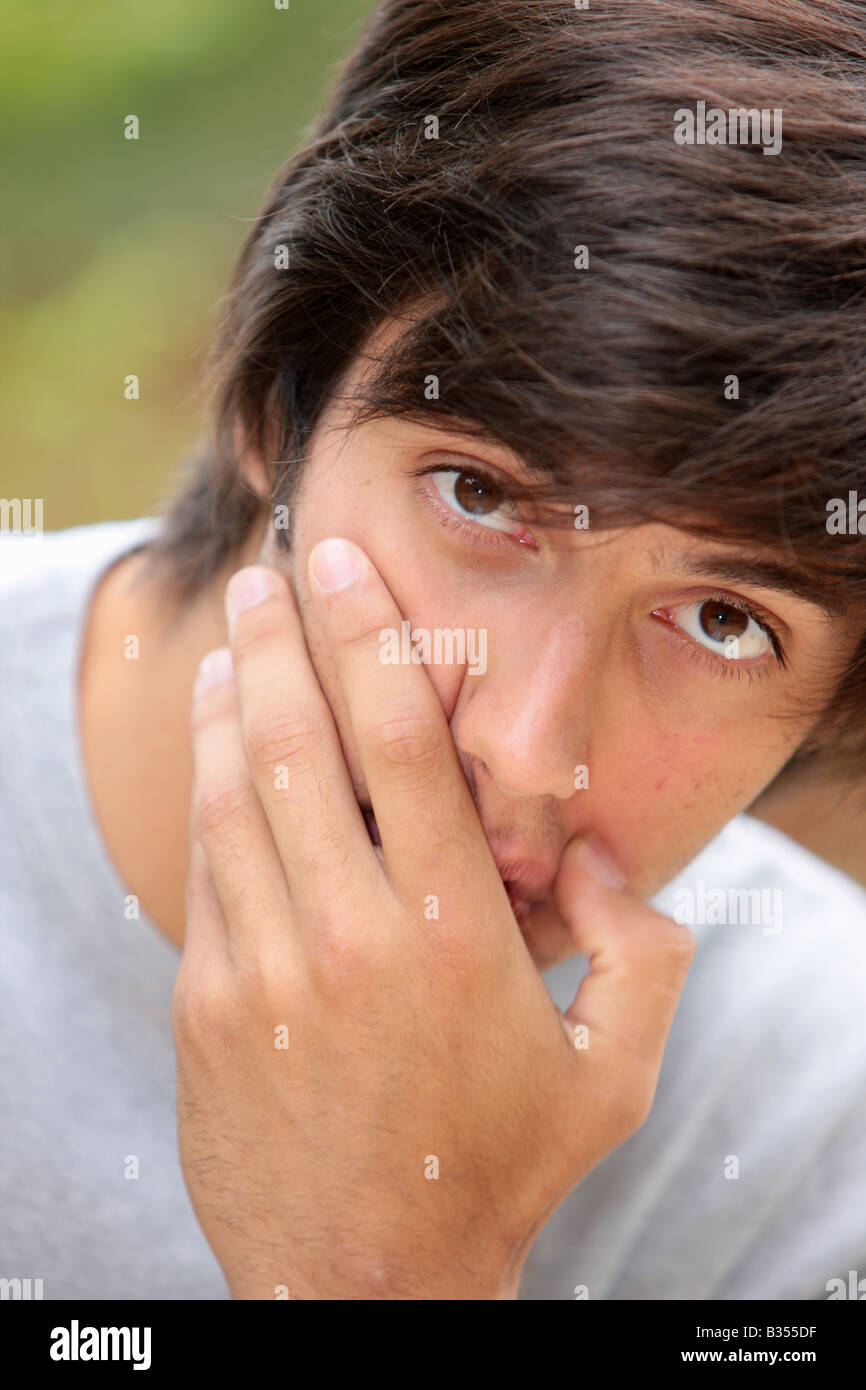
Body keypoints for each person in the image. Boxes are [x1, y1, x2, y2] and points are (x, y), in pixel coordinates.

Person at [2, 0, 866, 1299]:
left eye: (723, 621)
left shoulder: (819, 1128)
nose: (520, 750)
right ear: (272, 408)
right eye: (476, 494)